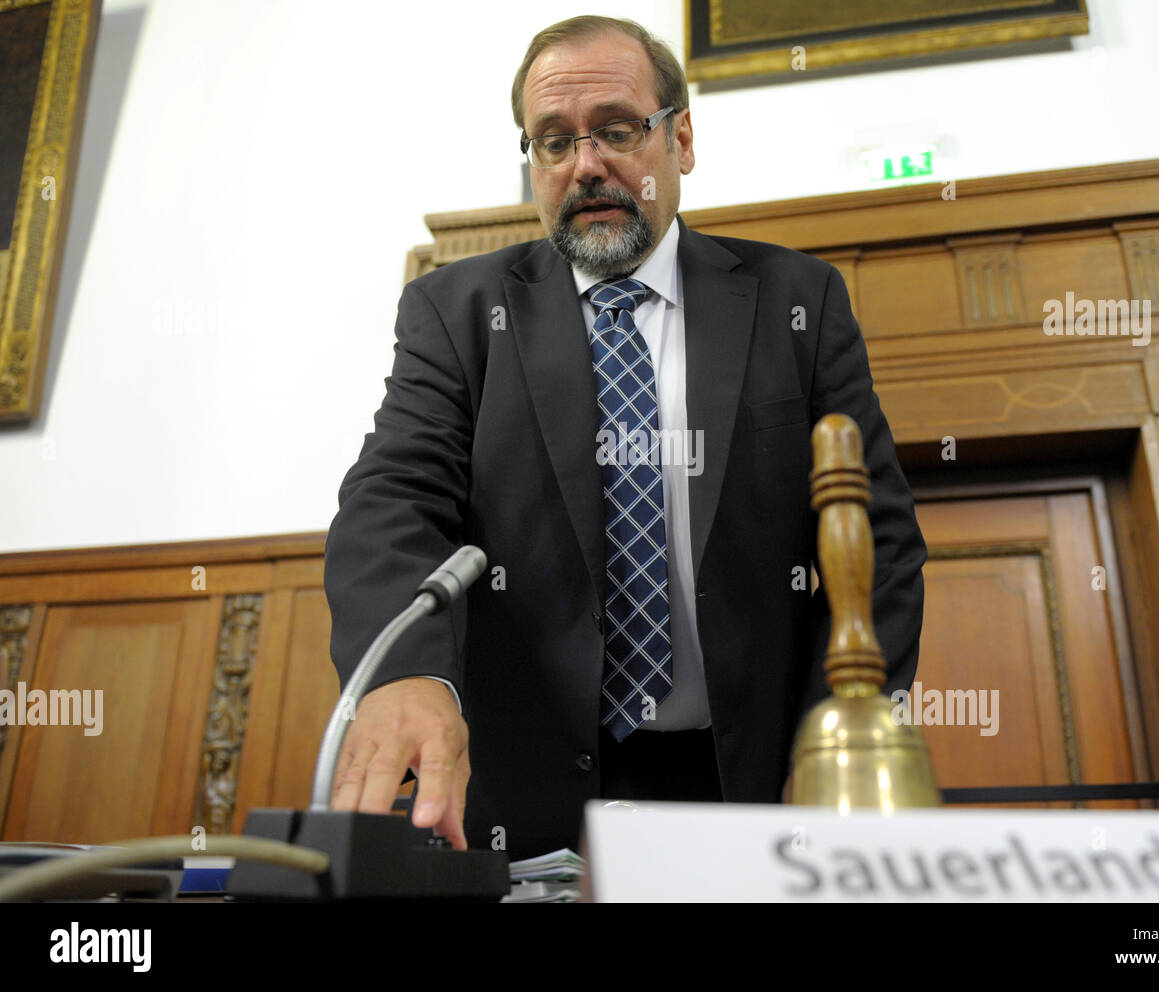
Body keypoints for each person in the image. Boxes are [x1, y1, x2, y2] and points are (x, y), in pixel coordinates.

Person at [323, 15, 926, 859]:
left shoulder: (799, 300)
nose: (586, 165)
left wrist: (828, 746)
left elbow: (881, 545)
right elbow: (391, 504)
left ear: (680, 138)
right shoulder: (458, 315)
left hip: (751, 784)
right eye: (553, 141)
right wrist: (411, 673)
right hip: (525, 795)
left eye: (614, 130)